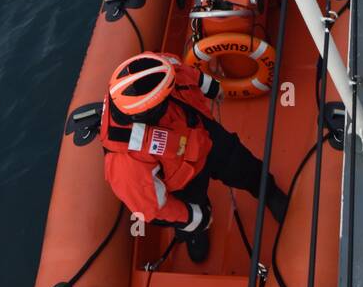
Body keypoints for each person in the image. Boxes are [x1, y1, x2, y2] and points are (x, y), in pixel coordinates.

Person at [100, 52, 288, 263]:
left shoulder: (153, 67)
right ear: (149, 111)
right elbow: (153, 207)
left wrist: (209, 85)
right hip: (183, 179)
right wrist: (193, 219)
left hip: (205, 135)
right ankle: (196, 231)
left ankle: (269, 192)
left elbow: (180, 69)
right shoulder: (126, 160)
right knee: (193, 211)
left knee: (244, 167)